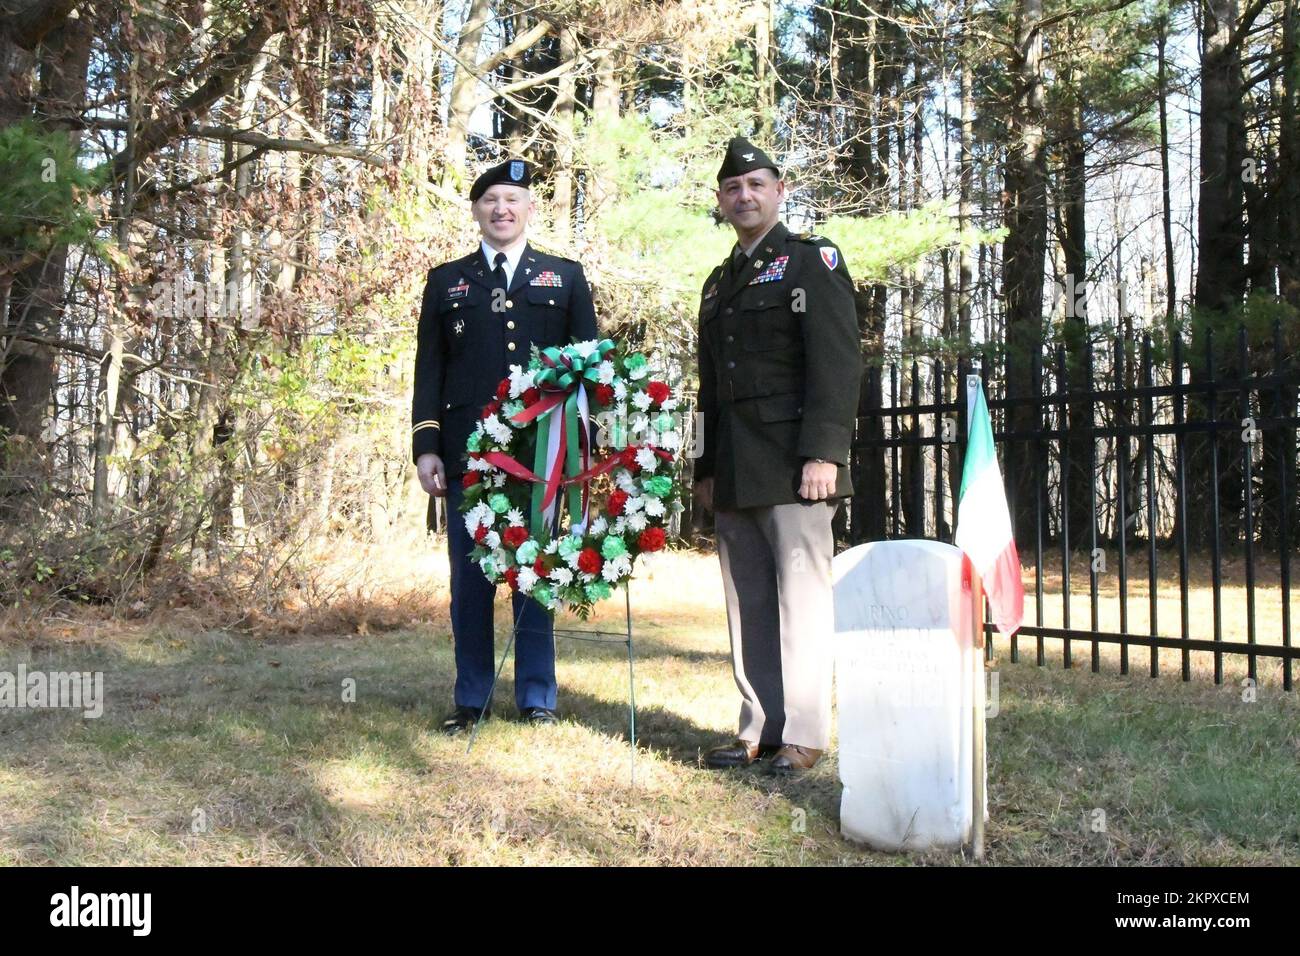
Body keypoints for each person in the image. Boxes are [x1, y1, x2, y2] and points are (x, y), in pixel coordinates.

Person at [411, 159, 598, 735]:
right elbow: (430, 371)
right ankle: (472, 697)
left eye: (513, 199)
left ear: (530, 209)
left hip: (539, 457)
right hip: (469, 453)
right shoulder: (448, 281)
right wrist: (427, 446)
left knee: (533, 576)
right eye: (491, 199)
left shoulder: (563, 278)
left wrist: (585, 451)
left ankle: (537, 697)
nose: (502, 209)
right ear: (476, 211)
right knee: (470, 581)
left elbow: (588, 369)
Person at [693, 136, 862, 773]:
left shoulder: (809, 261)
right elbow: (711, 386)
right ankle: (760, 727)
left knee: (803, 602)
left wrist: (824, 453)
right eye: (733, 188)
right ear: (720, 200)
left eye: (756, 185)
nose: (744, 195)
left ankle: (807, 736)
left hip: (796, 467)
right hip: (736, 468)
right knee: (750, 602)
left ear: (779, 191)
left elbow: (837, 364)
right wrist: (705, 469)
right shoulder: (719, 284)